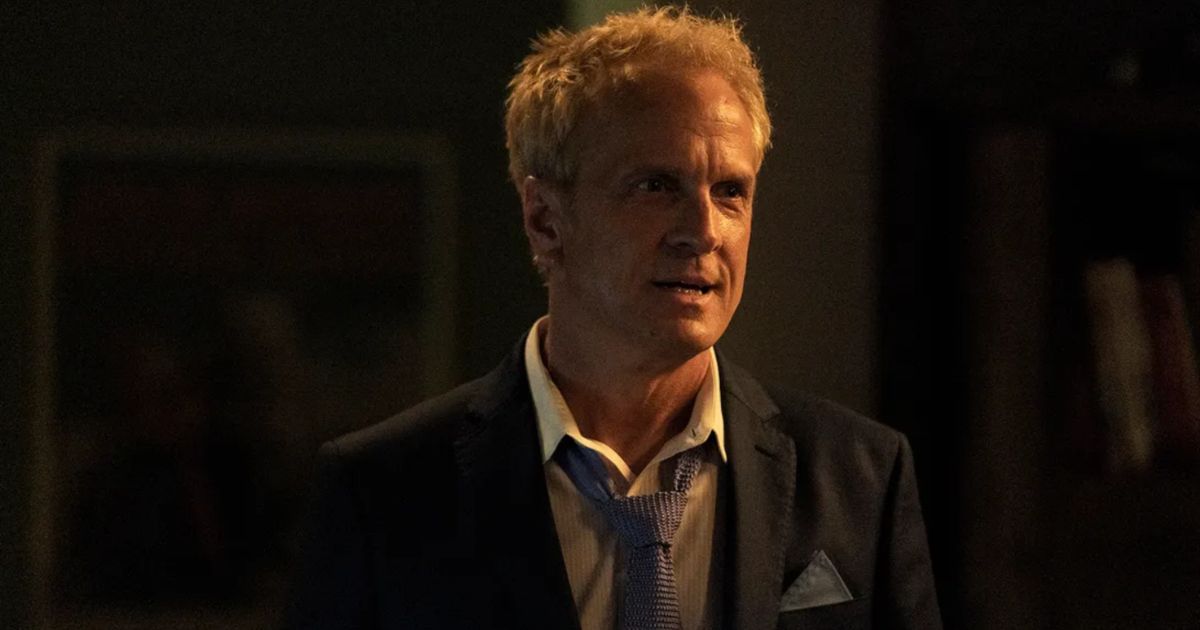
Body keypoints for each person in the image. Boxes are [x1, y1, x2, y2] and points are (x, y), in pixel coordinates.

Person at [285, 7, 941, 630]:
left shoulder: (861, 478)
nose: (703, 231)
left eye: (729, 192)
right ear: (545, 220)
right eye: (656, 186)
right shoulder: (384, 492)